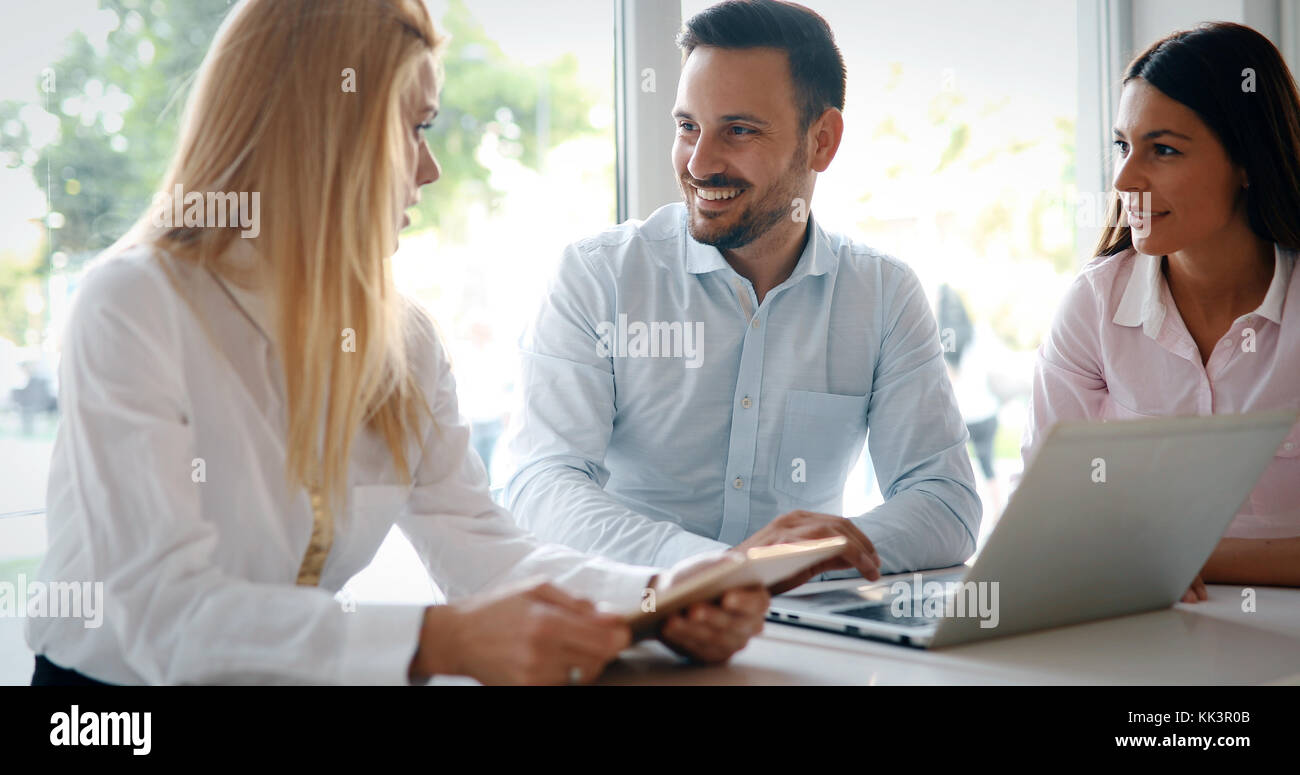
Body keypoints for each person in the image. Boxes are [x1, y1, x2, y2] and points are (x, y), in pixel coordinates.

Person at [26, 0, 772, 686]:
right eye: (414, 127)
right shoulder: (134, 304)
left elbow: (484, 550)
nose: (431, 168)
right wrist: (438, 641)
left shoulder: (404, 339)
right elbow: (164, 616)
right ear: (322, 127)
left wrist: (661, 594)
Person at [505, 0, 981, 591]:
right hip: (635, 621)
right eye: (687, 127)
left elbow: (945, 502)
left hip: (806, 636)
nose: (699, 163)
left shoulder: (881, 294)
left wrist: (819, 551)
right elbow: (540, 486)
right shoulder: (598, 277)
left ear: (822, 142)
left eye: (739, 130)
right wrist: (719, 571)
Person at [1022, 22, 1300, 603]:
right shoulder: (1094, 305)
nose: (1124, 179)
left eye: (1164, 150)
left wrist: (1183, 554)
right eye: (1123, 145)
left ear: (1247, 161)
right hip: (1150, 629)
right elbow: (1048, 518)